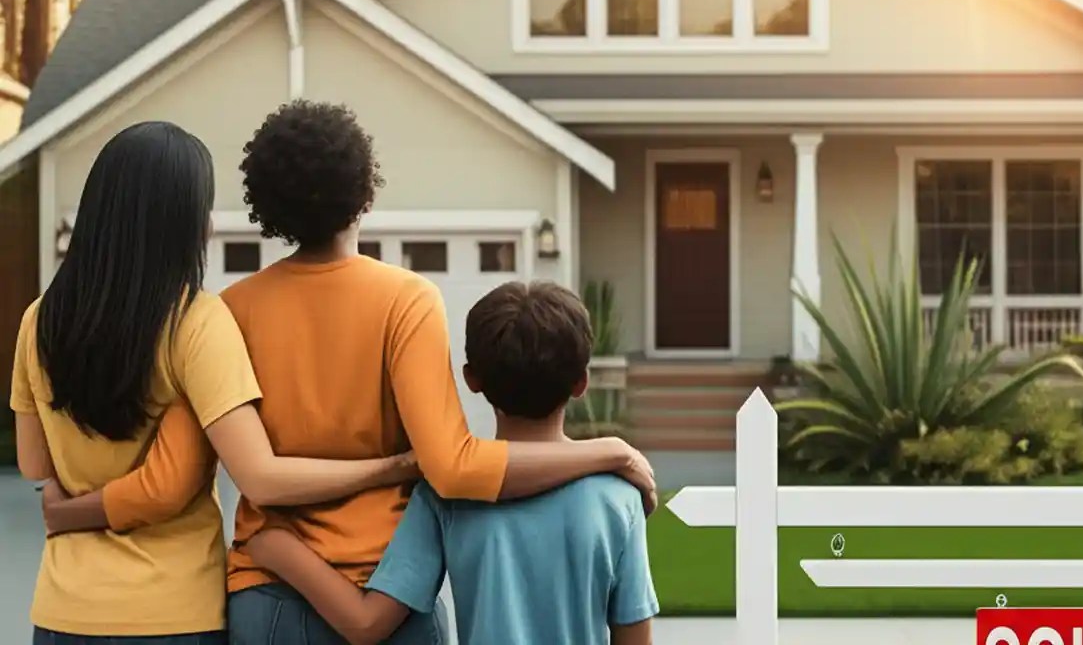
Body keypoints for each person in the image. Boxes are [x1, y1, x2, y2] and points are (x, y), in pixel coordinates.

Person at [47, 101, 657, 643]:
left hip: (266, 591)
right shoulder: (406, 300)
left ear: (271, 208)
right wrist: (610, 452)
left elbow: (173, 476)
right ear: (365, 195)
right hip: (385, 589)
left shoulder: (229, 313)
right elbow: (450, 465)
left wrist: (71, 509)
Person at [11, 121, 421, 644]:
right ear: (182, 222)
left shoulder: (37, 321)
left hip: (62, 612)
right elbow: (257, 477)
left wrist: (69, 510)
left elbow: (35, 465)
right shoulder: (195, 323)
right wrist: (392, 467)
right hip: (173, 613)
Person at [246, 281, 659, 645]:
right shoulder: (619, 497)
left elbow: (366, 625)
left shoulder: (447, 495)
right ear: (581, 383)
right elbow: (634, 635)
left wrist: (278, 548)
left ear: (471, 379)